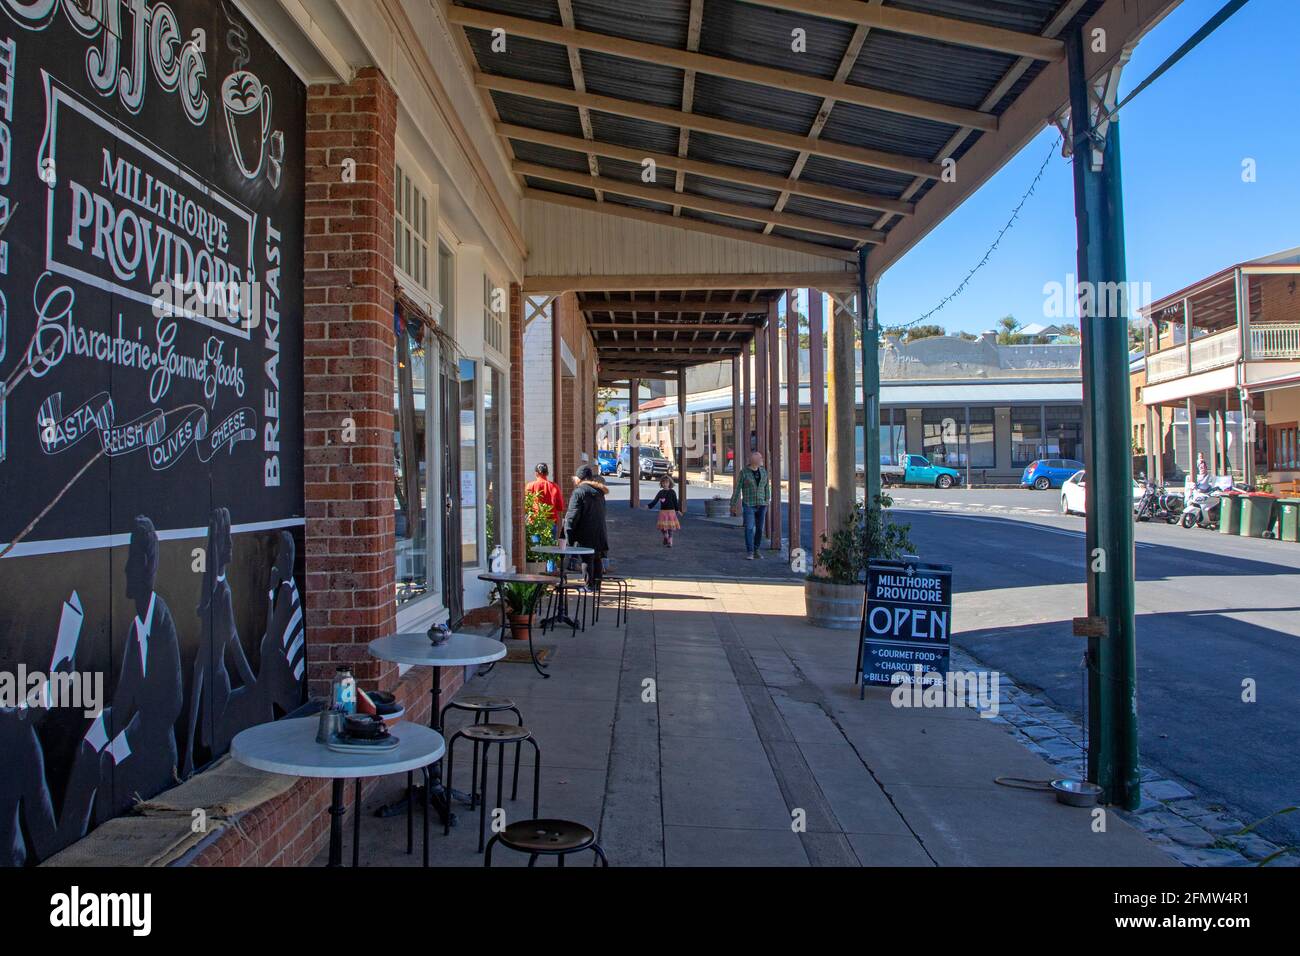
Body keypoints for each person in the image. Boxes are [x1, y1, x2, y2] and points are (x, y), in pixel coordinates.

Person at [564, 465, 609, 589]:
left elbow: (572, 516)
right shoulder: (599, 492)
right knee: (597, 558)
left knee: (586, 559)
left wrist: (568, 537)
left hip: (585, 534)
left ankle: (589, 586)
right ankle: (597, 586)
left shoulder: (579, 492)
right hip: (600, 532)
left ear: (579, 478)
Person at [730, 451, 772, 560]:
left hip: (762, 504)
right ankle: (750, 551)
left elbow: (767, 487)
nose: (762, 459)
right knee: (749, 528)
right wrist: (733, 503)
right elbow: (738, 488)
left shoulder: (763, 471)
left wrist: (767, 499)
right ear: (754, 461)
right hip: (749, 504)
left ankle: (756, 549)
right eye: (760, 458)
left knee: (759, 529)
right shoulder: (744, 472)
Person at [526, 462, 566, 540]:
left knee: (535, 549)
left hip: (535, 522)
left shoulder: (530, 486)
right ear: (547, 473)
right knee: (550, 549)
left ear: (536, 473)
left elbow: (526, 506)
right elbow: (560, 507)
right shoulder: (554, 486)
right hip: (550, 523)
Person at [647, 476, 682, 547]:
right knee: (662, 528)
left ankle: (670, 541)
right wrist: (649, 506)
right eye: (663, 482)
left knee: (670, 528)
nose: (665, 484)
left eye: (666, 482)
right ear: (661, 483)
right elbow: (655, 500)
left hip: (671, 512)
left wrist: (677, 510)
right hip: (663, 512)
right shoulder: (660, 492)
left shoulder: (672, 492)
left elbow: (675, 502)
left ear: (670, 483)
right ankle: (665, 536)